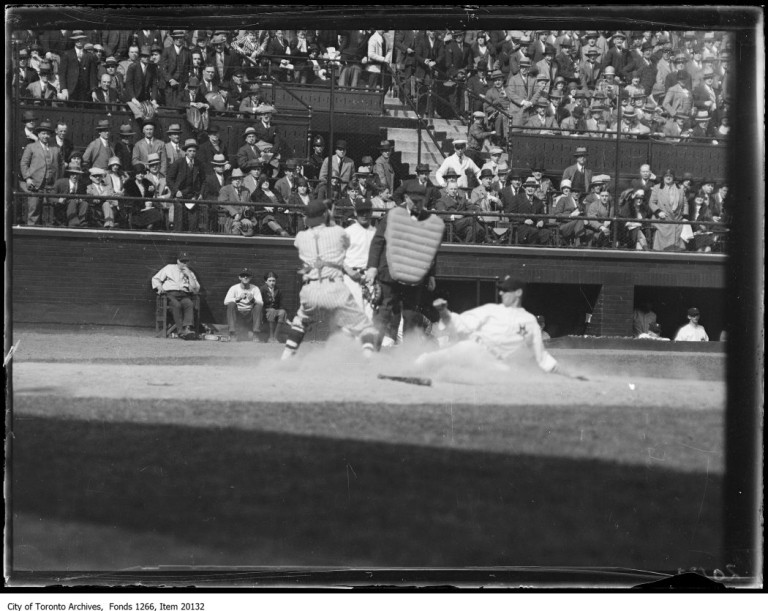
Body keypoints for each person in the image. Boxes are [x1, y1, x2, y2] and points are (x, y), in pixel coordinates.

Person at [415, 275, 579, 377]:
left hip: (496, 364)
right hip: (473, 350)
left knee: (506, 375)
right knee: (436, 358)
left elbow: (542, 357)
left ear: (518, 293)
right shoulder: (491, 310)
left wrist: (569, 374)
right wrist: (444, 312)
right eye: (501, 290)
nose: (501, 293)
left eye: (506, 290)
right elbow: (460, 323)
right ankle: (408, 371)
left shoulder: (530, 322)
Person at [281, 199, 378, 360]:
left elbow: (310, 237)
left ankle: (285, 359)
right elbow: (344, 242)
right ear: (325, 215)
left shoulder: (300, 236)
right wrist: (330, 218)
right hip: (334, 288)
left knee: (300, 322)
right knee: (365, 326)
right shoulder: (338, 231)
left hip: (310, 289)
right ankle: (369, 359)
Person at [365, 193, 443, 348]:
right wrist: (373, 267)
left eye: (420, 201)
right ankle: (373, 350)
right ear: (406, 199)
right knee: (385, 311)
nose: (416, 204)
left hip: (412, 273)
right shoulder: (392, 216)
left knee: (410, 313)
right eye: (414, 201)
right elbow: (378, 242)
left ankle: (405, 355)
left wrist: (431, 275)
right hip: (391, 272)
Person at [20, 120, 62, 226]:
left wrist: (59, 180)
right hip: (35, 184)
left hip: (51, 185)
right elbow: (24, 163)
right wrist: (28, 178)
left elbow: (61, 165)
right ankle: (31, 237)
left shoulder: (56, 148)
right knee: (34, 211)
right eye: (43, 133)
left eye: (48, 134)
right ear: (38, 134)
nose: (45, 136)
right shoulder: (31, 147)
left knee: (50, 213)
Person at [152, 251, 201, 340]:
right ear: (178, 261)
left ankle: (187, 329)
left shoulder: (190, 272)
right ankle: (180, 330)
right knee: (176, 305)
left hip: (184, 294)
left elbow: (196, 289)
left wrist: (189, 275)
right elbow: (156, 278)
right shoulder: (169, 268)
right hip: (170, 294)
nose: (184, 264)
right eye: (182, 261)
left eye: (186, 262)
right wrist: (159, 286)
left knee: (189, 303)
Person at [343, 198, 377, 320]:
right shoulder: (347, 232)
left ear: (371, 212)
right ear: (355, 213)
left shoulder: (376, 233)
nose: (364, 214)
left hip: (370, 278)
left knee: (370, 317)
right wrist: (350, 272)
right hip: (351, 277)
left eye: (367, 211)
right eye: (361, 211)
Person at [167, 138, 205, 233]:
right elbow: (169, 179)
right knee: (179, 223)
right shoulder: (178, 163)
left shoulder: (199, 164)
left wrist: (201, 194)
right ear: (186, 152)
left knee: (193, 223)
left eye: (194, 151)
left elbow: (204, 180)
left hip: (192, 197)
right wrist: (176, 191)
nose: (192, 153)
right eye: (190, 151)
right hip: (180, 197)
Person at [649, 168, 687, 251]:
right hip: (663, 221)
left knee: (677, 247)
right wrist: (658, 212)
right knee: (662, 248)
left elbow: (685, 203)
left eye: (670, 176)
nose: (668, 177)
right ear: (663, 177)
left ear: (673, 177)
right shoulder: (657, 188)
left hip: (677, 221)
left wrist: (685, 217)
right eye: (666, 176)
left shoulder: (680, 189)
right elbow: (652, 202)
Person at [224, 268, 264, 341]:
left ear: (251, 277)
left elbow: (261, 303)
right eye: (243, 276)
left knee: (258, 306)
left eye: (247, 276)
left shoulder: (255, 288)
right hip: (238, 313)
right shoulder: (234, 288)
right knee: (231, 304)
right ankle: (232, 333)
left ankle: (256, 334)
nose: (245, 277)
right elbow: (225, 301)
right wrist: (237, 298)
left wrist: (253, 300)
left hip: (250, 314)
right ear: (239, 277)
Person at [260, 271, 288, 343]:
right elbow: (260, 303)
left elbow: (282, 302)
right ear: (266, 281)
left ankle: (275, 337)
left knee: (282, 312)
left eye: (273, 281)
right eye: (270, 281)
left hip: (276, 310)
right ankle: (271, 337)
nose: (272, 283)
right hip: (266, 310)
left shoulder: (278, 290)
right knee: (272, 311)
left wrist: (282, 309)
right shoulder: (262, 289)